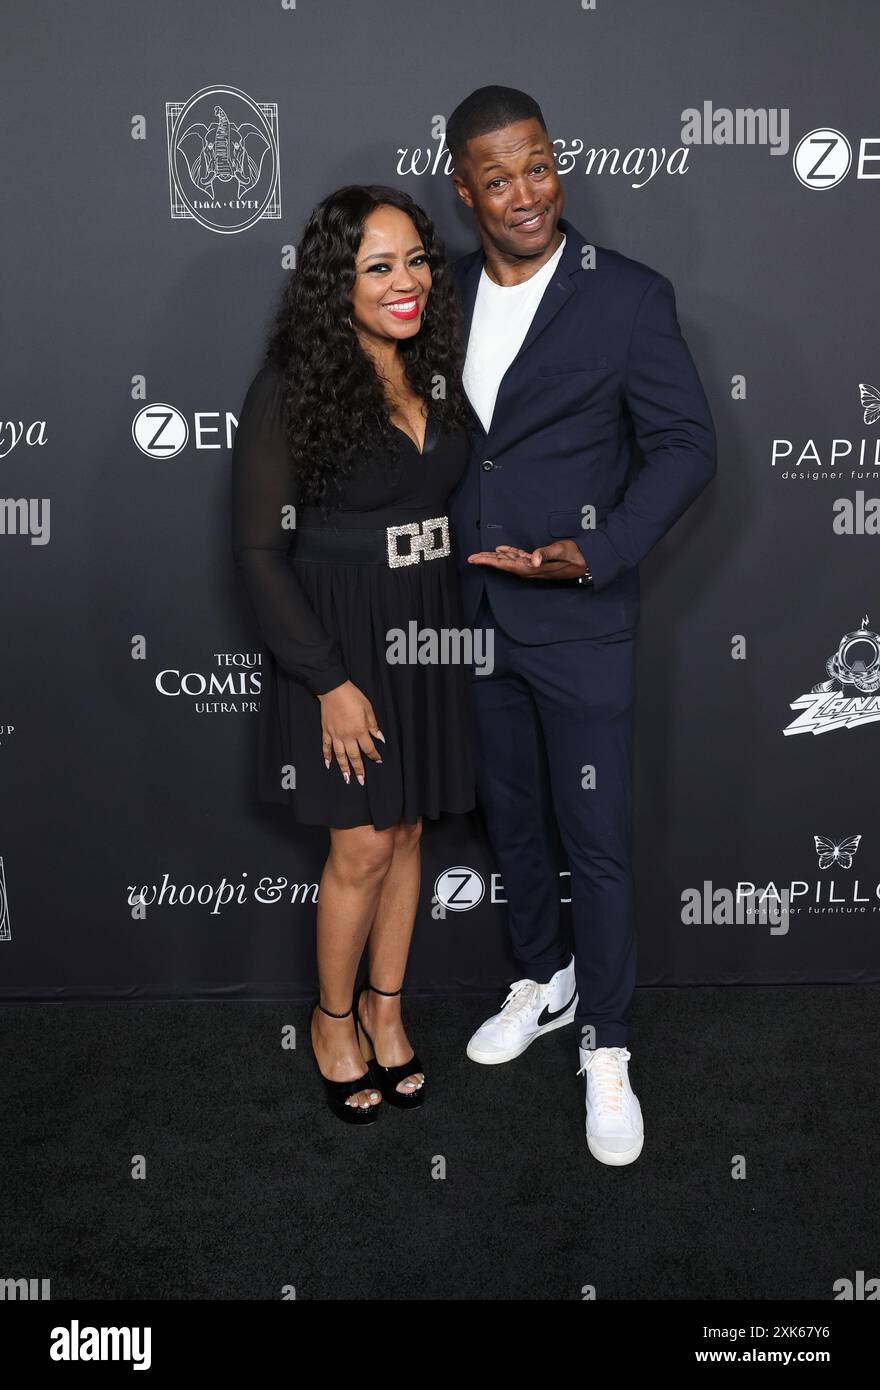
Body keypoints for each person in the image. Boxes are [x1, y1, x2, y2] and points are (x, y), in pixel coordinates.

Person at [445, 86, 717, 1164]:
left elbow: (688, 446)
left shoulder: (628, 297)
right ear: (463, 189)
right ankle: (542, 978)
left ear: (557, 165)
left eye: (539, 166)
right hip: (471, 616)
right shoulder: (444, 291)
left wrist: (594, 551)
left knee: (595, 842)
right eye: (498, 177)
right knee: (510, 824)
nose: (525, 194)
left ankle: (606, 1040)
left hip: (581, 618)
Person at [231, 185, 475, 1124]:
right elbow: (258, 551)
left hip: (427, 621)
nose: (407, 281)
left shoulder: (437, 372)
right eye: (379, 267)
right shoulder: (291, 386)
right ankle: (332, 1022)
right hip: (339, 635)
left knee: (408, 827)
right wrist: (327, 679)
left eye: (416, 259)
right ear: (337, 283)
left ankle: (386, 1008)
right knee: (363, 841)